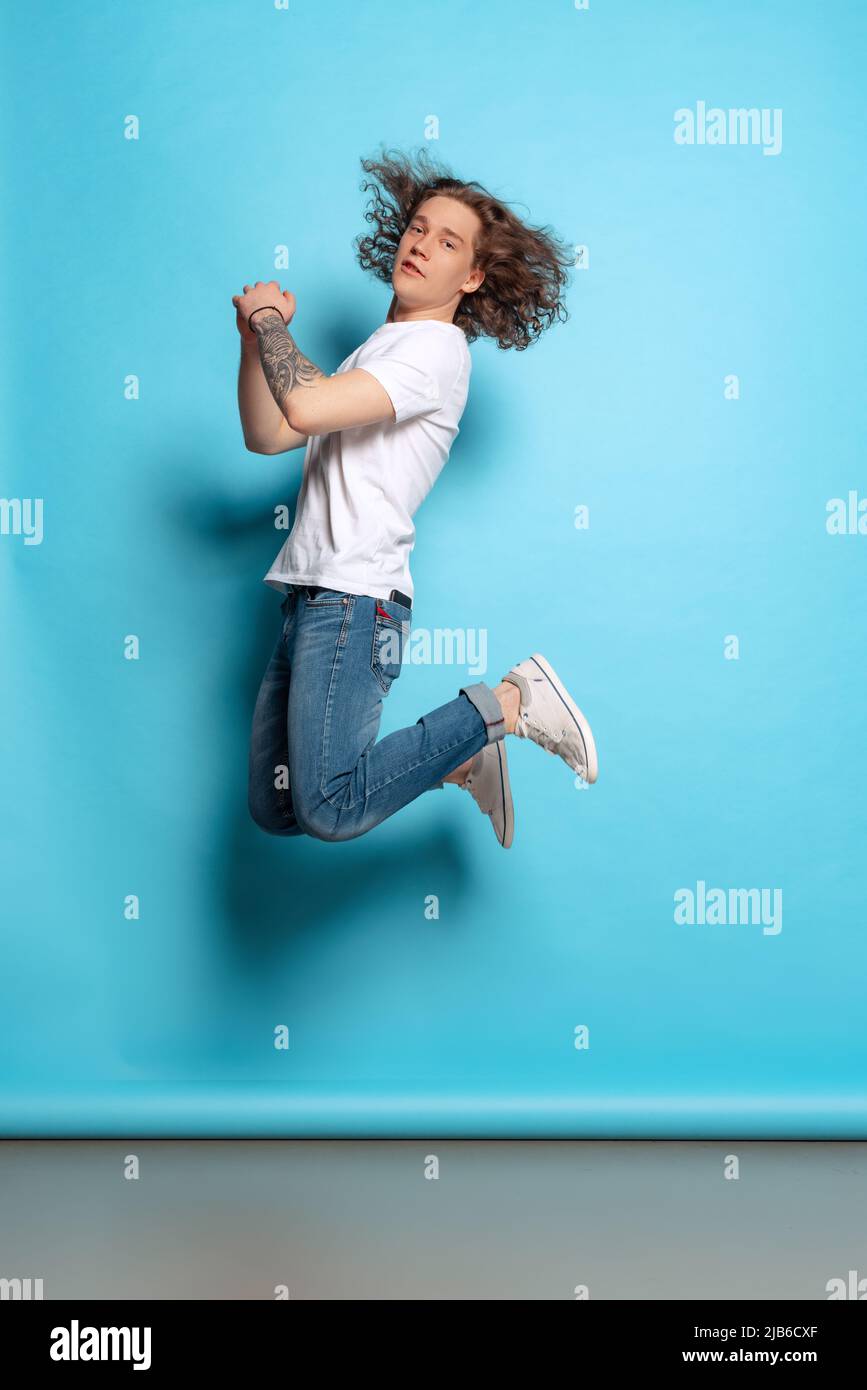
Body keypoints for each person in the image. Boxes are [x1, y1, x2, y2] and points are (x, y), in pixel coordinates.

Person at [234, 147, 598, 848]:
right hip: (310, 594)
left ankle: (510, 703)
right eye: (418, 228)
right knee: (275, 806)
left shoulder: (435, 352)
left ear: (472, 277)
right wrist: (254, 341)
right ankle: (457, 754)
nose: (422, 244)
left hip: (352, 602)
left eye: (448, 241)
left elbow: (303, 407)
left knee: (330, 808)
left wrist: (275, 324)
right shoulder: (380, 347)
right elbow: (269, 431)